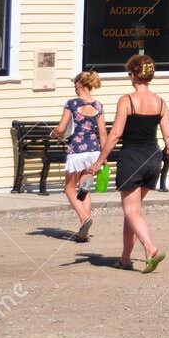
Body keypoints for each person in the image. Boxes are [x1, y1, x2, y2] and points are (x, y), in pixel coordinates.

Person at [95, 53, 169, 274]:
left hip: (132, 157)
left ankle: (151, 249)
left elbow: (115, 134)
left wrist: (100, 161)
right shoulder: (160, 102)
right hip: (154, 158)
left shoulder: (127, 100)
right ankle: (125, 258)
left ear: (133, 75)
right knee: (133, 211)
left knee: (131, 209)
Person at [53, 70, 107, 242]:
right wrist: (103, 157)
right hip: (94, 150)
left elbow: (61, 129)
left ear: (79, 85)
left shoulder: (72, 104)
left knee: (69, 188)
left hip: (77, 149)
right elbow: (103, 133)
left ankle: (84, 219)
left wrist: (55, 133)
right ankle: (84, 231)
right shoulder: (98, 106)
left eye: (75, 85)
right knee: (84, 188)